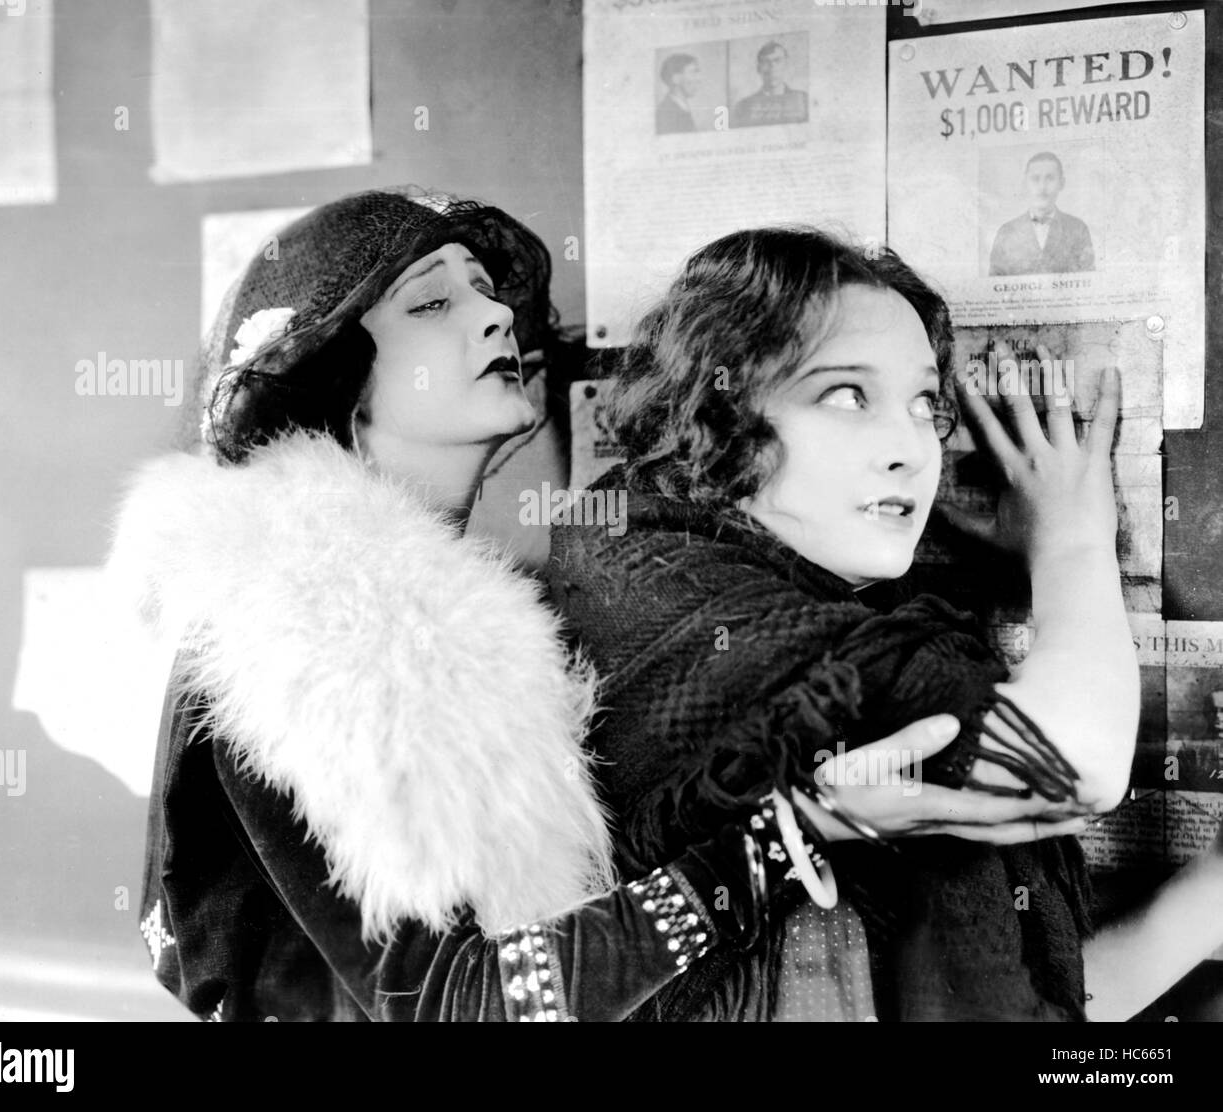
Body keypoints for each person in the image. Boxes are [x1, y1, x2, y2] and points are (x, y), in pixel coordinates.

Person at [112, 190, 955, 1022]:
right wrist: (784, 839)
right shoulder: (292, 617)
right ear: (337, 370)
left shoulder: (461, 613)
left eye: (487, 291)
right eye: (434, 301)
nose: (493, 317)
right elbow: (464, 1007)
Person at [543, 226, 1147, 1021]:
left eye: (924, 402)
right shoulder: (664, 595)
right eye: (845, 395)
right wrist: (1070, 541)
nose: (909, 448)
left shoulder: (810, 595)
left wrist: (1199, 907)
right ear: (719, 412)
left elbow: (994, 996)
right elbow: (1074, 765)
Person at [988, 151, 1095, 276]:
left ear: (1062, 183)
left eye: (1050, 178)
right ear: (1025, 184)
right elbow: (994, 287)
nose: (1042, 187)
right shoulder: (1007, 232)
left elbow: (1089, 282)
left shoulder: (1077, 229)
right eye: (1035, 179)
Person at [732, 41, 808, 129]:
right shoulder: (744, 106)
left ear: (786, 65)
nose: (772, 66)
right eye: (766, 62)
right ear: (759, 68)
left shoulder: (803, 100)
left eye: (777, 60)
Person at [657, 53, 700, 134]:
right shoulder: (666, 114)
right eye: (693, 73)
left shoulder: (681, 107)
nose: (698, 79)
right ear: (676, 79)